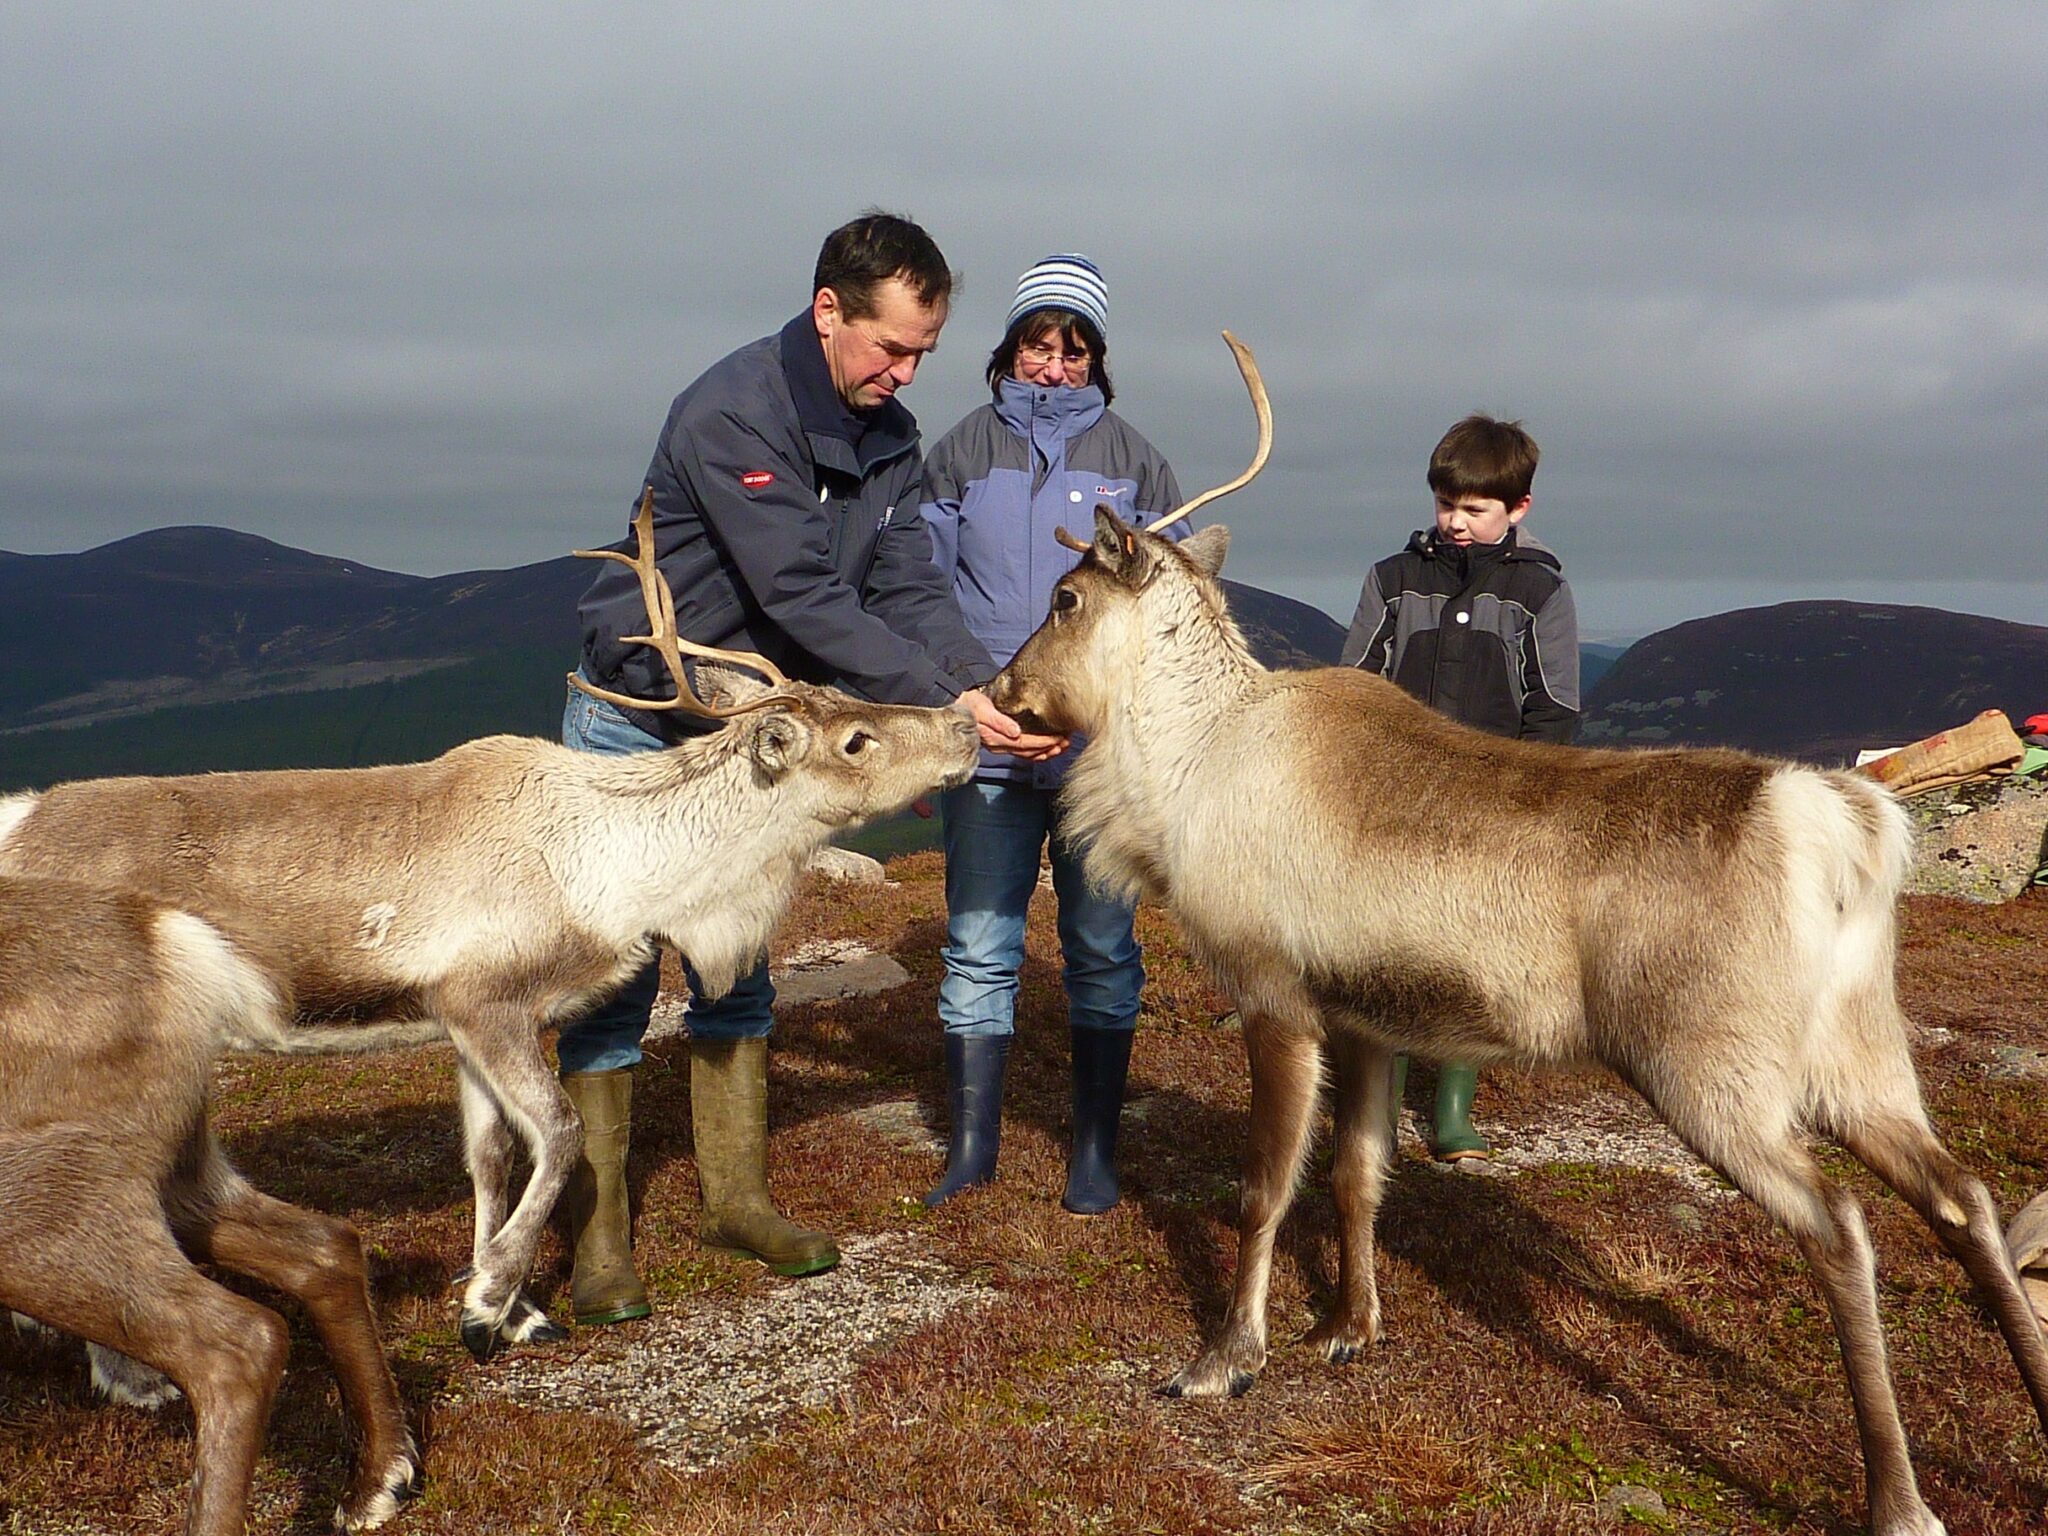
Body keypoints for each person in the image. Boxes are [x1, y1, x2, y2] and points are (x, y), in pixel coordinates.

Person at [556, 213, 1061, 1327]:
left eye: (923, 351)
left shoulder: (889, 437)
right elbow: (801, 595)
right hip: (644, 723)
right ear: (829, 310)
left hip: (754, 743)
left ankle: (735, 1202)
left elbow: (906, 585)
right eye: (891, 347)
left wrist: (982, 688)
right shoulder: (732, 410)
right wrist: (944, 705)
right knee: (610, 983)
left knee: (736, 972)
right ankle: (596, 1239)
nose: (906, 372)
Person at [917, 254, 1184, 1214]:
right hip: (986, 736)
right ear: (1011, 347)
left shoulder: (1138, 462)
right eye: (1038, 344)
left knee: (1102, 948)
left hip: (1095, 760)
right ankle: (972, 1152)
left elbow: (1168, 612)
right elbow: (921, 592)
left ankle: (1095, 1155)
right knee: (979, 945)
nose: (1054, 365)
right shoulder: (958, 451)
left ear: (1096, 357)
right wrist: (941, 726)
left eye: (1074, 349)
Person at [1337, 414, 1579, 1161]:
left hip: (1491, 807)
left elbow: (1555, 707)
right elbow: (1353, 687)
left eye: (1475, 509)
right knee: (1384, 948)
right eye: (1446, 505)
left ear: (1519, 507)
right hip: (1391, 801)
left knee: (1470, 952)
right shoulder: (1391, 579)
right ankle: (1374, 1104)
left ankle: (1451, 1111)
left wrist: (1528, 805)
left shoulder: (1542, 591)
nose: (1456, 522)